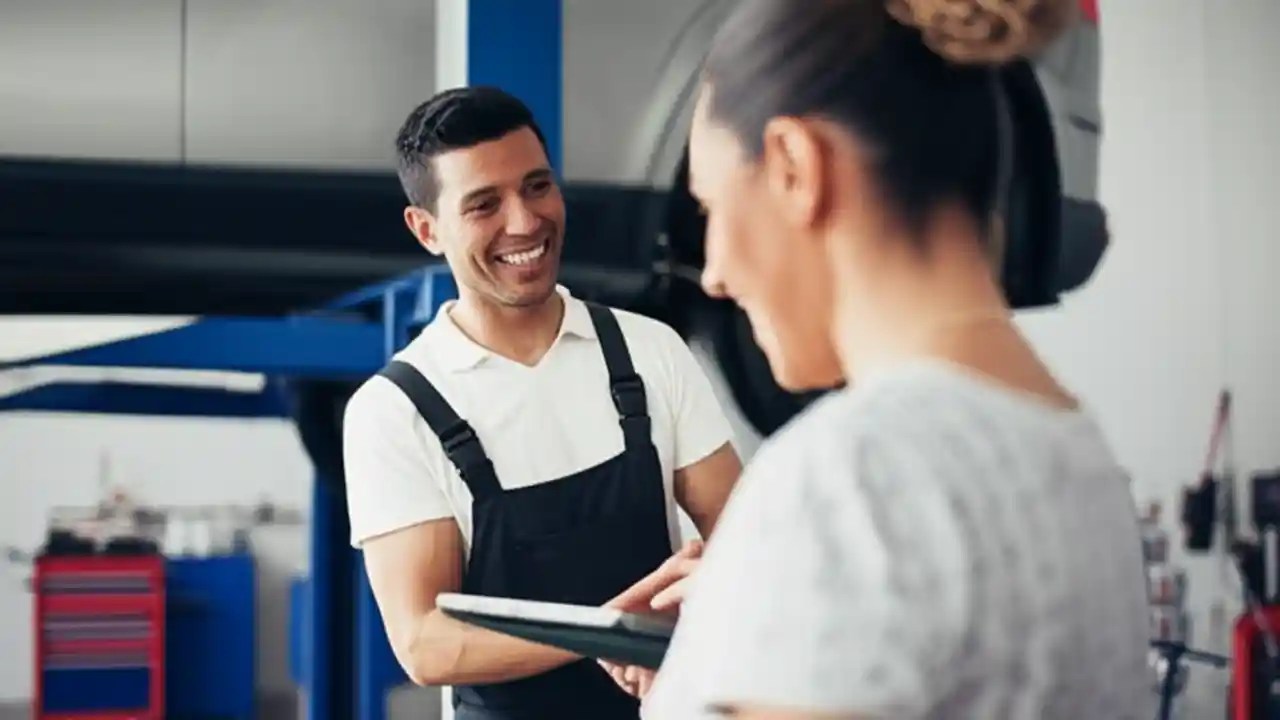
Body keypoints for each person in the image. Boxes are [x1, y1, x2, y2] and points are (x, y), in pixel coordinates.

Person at [604, 0, 1155, 718]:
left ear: (795, 167)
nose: (710, 272)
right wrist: (738, 629)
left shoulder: (845, 477)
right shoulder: (1079, 458)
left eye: (710, 210)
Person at [342, 86, 743, 720]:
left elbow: (745, 542)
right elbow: (424, 643)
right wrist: (609, 631)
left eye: (536, 186)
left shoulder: (647, 351)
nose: (525, 222)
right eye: (483, 204)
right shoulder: (395, 411)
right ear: (427, 230)